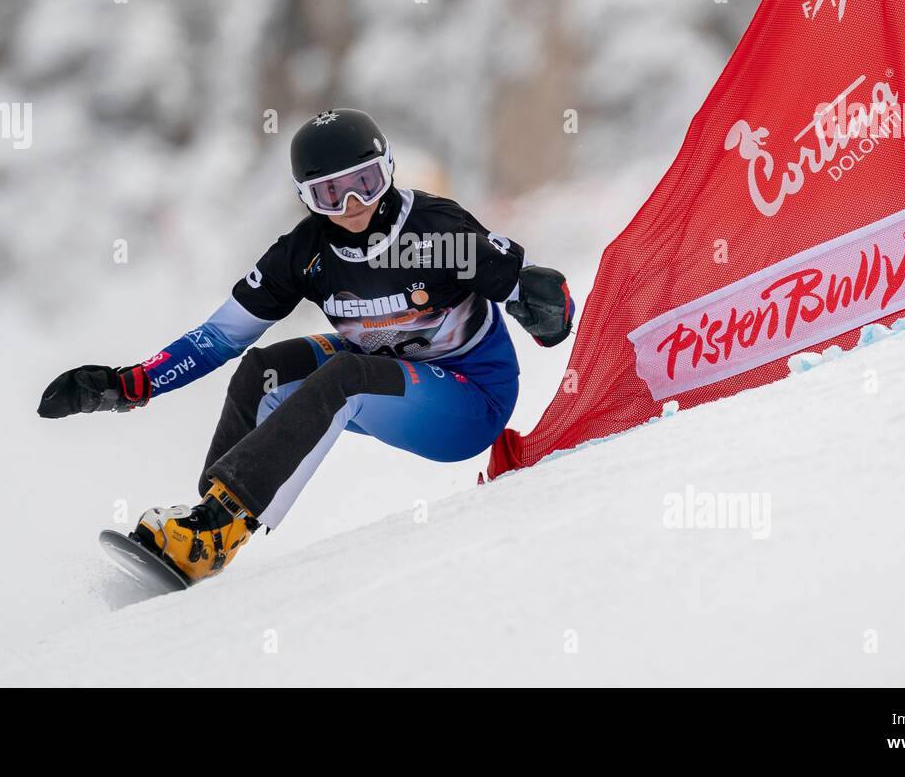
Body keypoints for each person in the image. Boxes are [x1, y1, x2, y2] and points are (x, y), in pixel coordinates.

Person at [37, 109, 574, 583]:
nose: (354, 204)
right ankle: (211, 523)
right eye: (331, 194)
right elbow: (220, 336)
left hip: (469, 400)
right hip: (386, 374)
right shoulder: (303, 254)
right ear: (308, 199)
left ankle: (217, 530)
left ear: (388, 169)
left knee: (346, 379)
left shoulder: (434, 234)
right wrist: (132, 382)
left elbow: (533, 289)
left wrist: (549, 310)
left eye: (365, 181)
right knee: (262, 371)